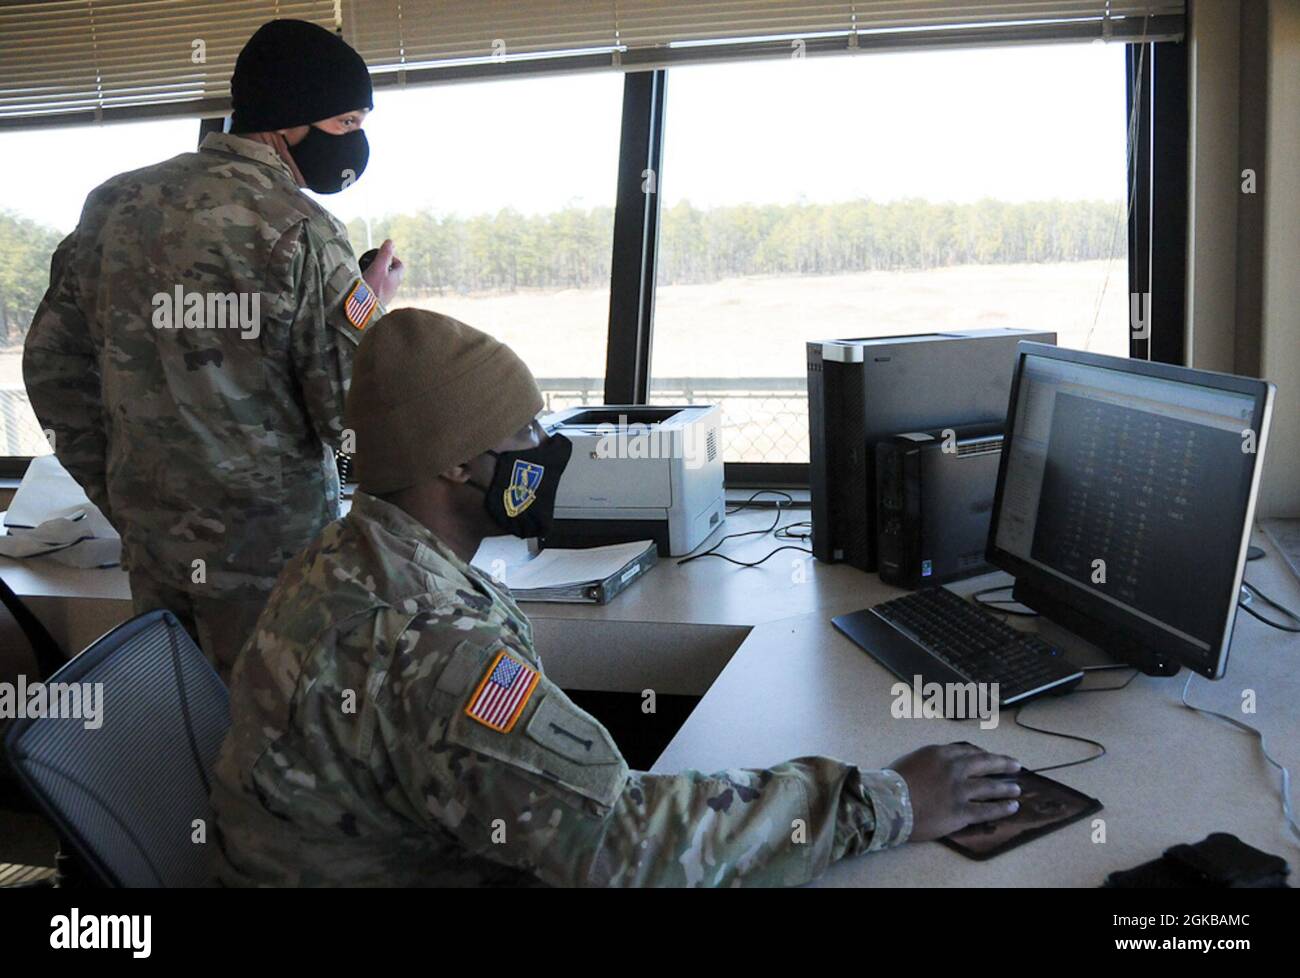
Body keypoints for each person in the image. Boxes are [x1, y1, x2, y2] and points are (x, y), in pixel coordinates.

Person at [210, 308, 1023, 887]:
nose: (549, 451)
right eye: (527, 433)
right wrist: (882, 801)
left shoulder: (342, 557)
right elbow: (626, 851)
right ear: (456, 463)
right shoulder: (430, 646)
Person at [22, 20, 403, 678]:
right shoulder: (301, 228)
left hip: (153, 549)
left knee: (181, 738)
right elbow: (349, 414)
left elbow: (51, 369)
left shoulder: (112, 204)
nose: (356, 140)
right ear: (288, 119)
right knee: (271, 750)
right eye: (345, 121)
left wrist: (124, 493)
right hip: (273, 564)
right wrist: (366, 303)